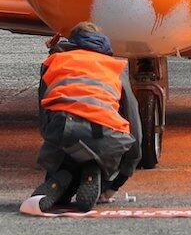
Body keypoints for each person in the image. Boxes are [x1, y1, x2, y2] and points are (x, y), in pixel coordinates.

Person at [30, 22, 140, 213]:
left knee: (66, 158)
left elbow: (45, 111)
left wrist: (53, 151)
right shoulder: (115, 68)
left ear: (71, 41)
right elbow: (135, 122)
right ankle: (96, 171)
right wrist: (116, 183)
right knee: (105, 147)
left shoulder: (54, 62)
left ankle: (63, 175)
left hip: (64, 128)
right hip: (106, 133)